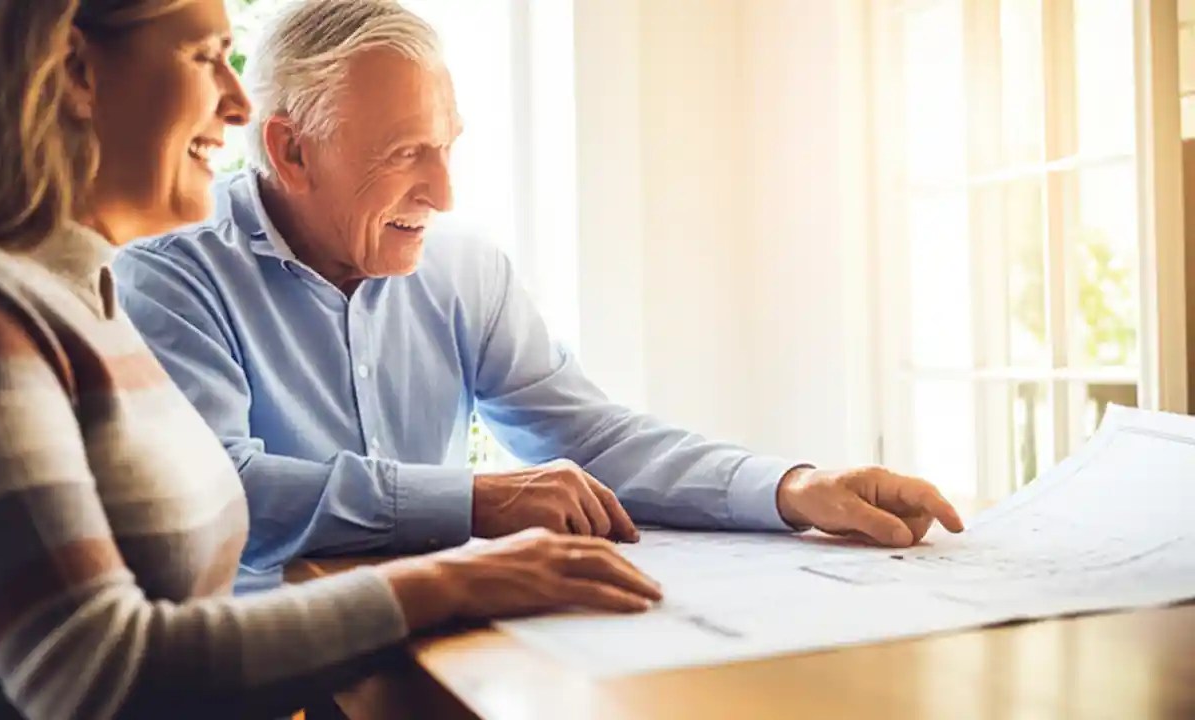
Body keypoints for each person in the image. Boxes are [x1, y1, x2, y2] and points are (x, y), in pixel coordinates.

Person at [0, 1, 663, 717]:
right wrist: (448, 582)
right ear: (76, 71)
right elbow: (93, 674)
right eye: (208, 57)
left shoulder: (81, 289)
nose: (238, 104)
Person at [114, 0, 966, 594]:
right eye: (407, 152)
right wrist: (474, 500)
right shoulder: (169, 268)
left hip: (441, 642)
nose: (443, 192)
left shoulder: (461, 271)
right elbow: (225, 491)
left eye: (448, 147)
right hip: (264, 681)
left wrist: (792, 486)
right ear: (290, 151)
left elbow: (591, 439)